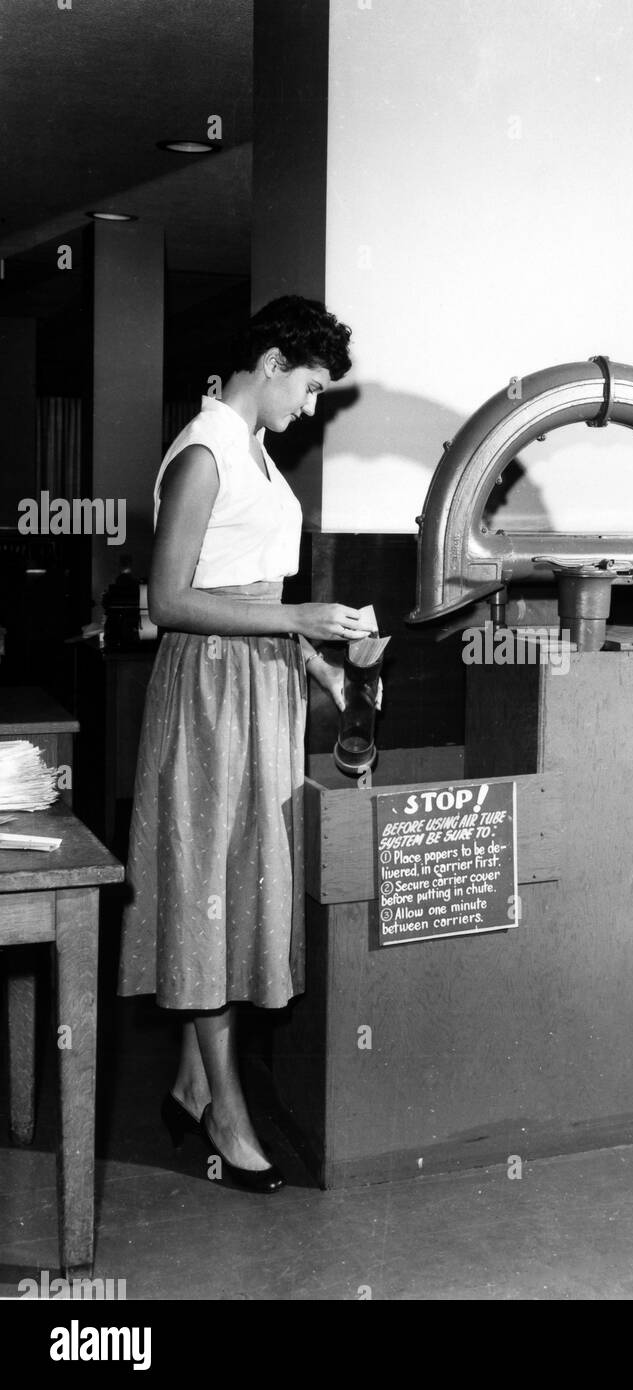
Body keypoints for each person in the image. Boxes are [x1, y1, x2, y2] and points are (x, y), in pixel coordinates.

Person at [119, 296, 366, 1191]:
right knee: (210, 890)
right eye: (307, 386)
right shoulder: (202, 451)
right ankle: (227, 1110)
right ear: (269, 363)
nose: (309, 406)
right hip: (212, 688)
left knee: (232, 879)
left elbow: (251, 587)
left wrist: (314, 663)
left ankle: (192, 1082)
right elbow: (168, 601)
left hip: (260, 682)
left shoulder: (253, 450)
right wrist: (294, 618)